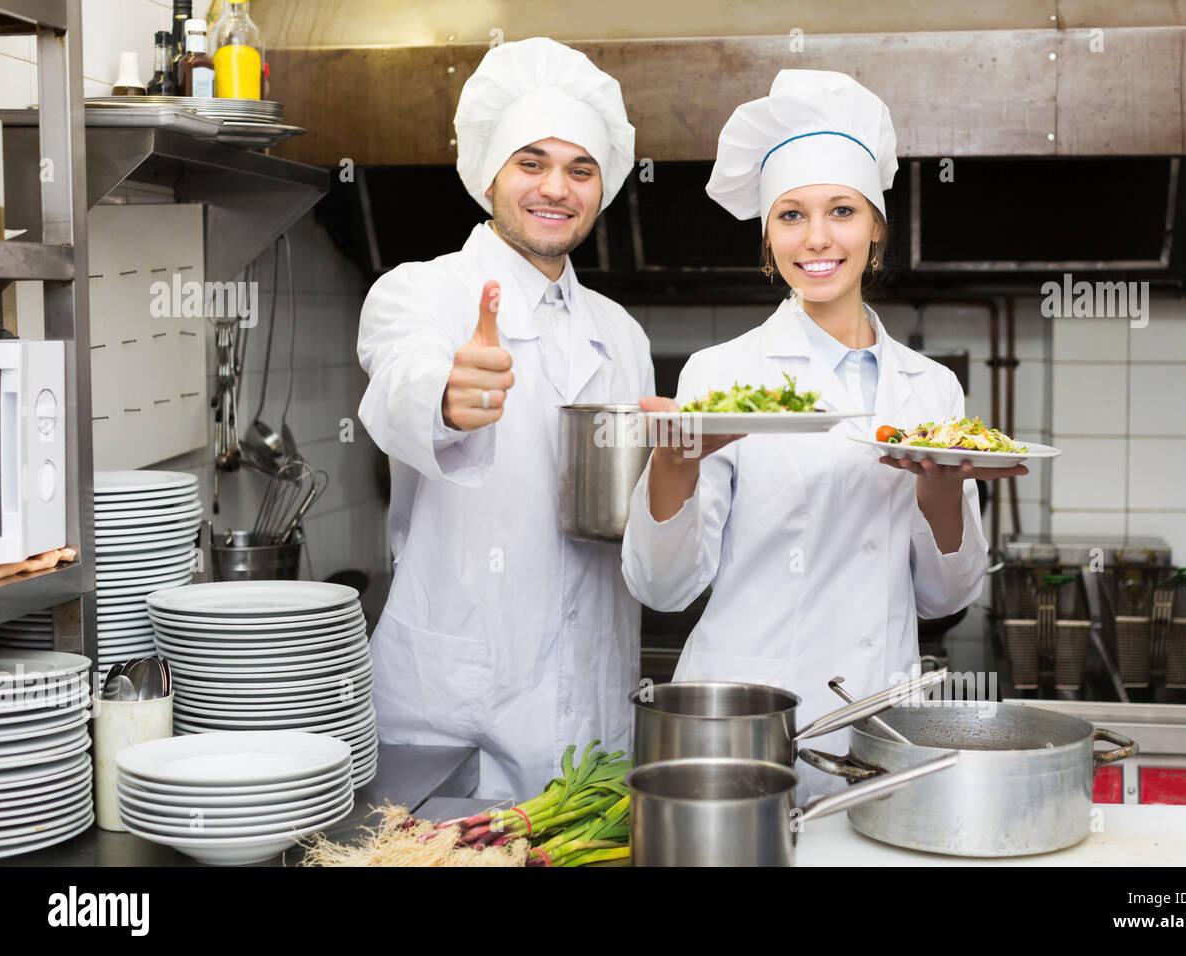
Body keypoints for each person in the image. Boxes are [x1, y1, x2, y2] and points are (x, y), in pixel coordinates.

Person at [620, 70, 1026, 786]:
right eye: (790, 215)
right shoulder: (719, 376)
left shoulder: (932, 387)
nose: (816, 238)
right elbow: (663, 588)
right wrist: (675, 465)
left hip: (880, 718)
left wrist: (938, 494)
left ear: (876, 229)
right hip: (744, 722)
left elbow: (946, 599)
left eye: (841, 210)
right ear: (767, 236)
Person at [357, 37, 653, 799]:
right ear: (489, 172)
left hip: (595, 701)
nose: (556, 188)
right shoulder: (422, 293)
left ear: (602, 187)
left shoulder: (621, 332)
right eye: (531, 162)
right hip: (455, 711)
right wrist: (447, 399)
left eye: (580, 169)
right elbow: (400, 380)